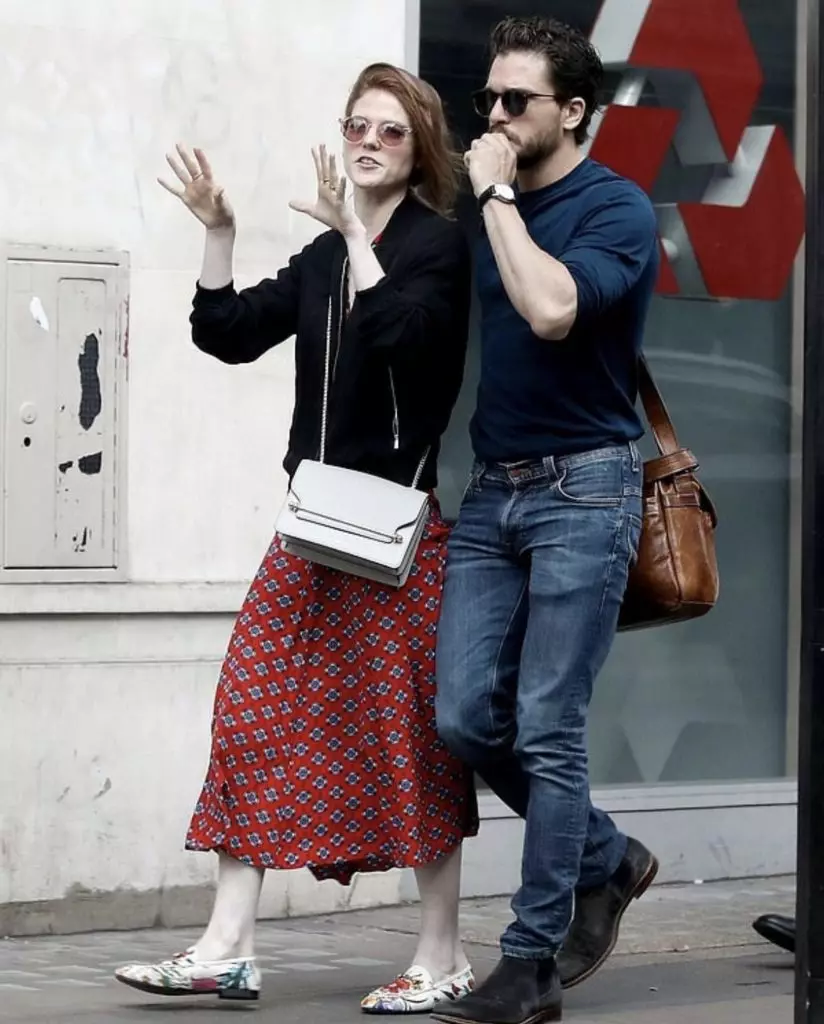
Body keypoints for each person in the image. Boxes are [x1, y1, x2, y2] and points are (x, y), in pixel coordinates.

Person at [114, 62, 477, 1015]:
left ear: (420, 149)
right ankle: (226, 947)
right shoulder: (321, 257)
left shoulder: (440, 247)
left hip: (396, 534)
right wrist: (220, 233)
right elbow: (228, 332)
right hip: (311, 529)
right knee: (250, 712)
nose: (365, 141)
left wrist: (355, 232)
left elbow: (402, 334)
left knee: (407, 743)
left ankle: (442, 954)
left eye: (389, 131)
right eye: (356, 124)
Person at [433, 17, 661, 1024]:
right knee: (462, 716)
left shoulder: (613, 208)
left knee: (545, 723)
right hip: (492, 491)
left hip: (586, 489)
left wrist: (489, 191)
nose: (491, 115)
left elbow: (551, 309)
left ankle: (528, 960)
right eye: (486, 98)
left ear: (571, 111)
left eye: (513, 100)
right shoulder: (487, 200)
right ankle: (605, 856)